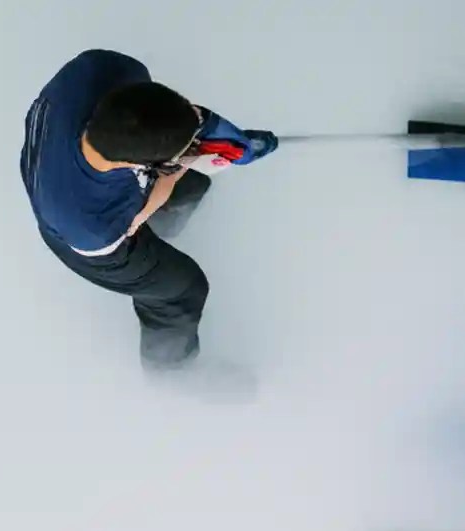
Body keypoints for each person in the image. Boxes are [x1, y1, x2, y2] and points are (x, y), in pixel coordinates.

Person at [19, 48, 277, 380]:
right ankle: (170, 370)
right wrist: (176, 169)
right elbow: (136, 218)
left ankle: (169, 222)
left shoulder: (107, 68)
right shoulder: (91, 221)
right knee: (182, 287)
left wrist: (200, 136)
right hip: (86, 243)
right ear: (134, 165)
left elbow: (150, 114)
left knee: (193, 184)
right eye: (172, 158)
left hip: (64, 159)